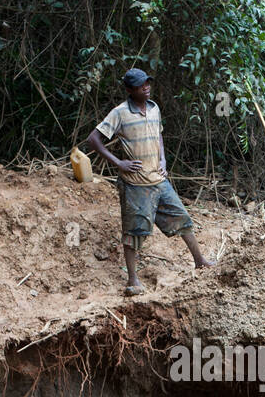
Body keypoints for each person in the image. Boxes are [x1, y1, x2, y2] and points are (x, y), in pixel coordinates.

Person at [86, 68, 214, 296]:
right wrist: (119, 163)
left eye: (147, 83)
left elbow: (159, 135)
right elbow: (93, 139)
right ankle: (133, 280)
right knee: (134, 232)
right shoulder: (120, 113)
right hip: (134, 184)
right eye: (139, 85)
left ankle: (200, 260)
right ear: (129, 90)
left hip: (158, 179)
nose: (146, 87)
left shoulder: (154, 108)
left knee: (182, 219)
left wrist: (163, 159)